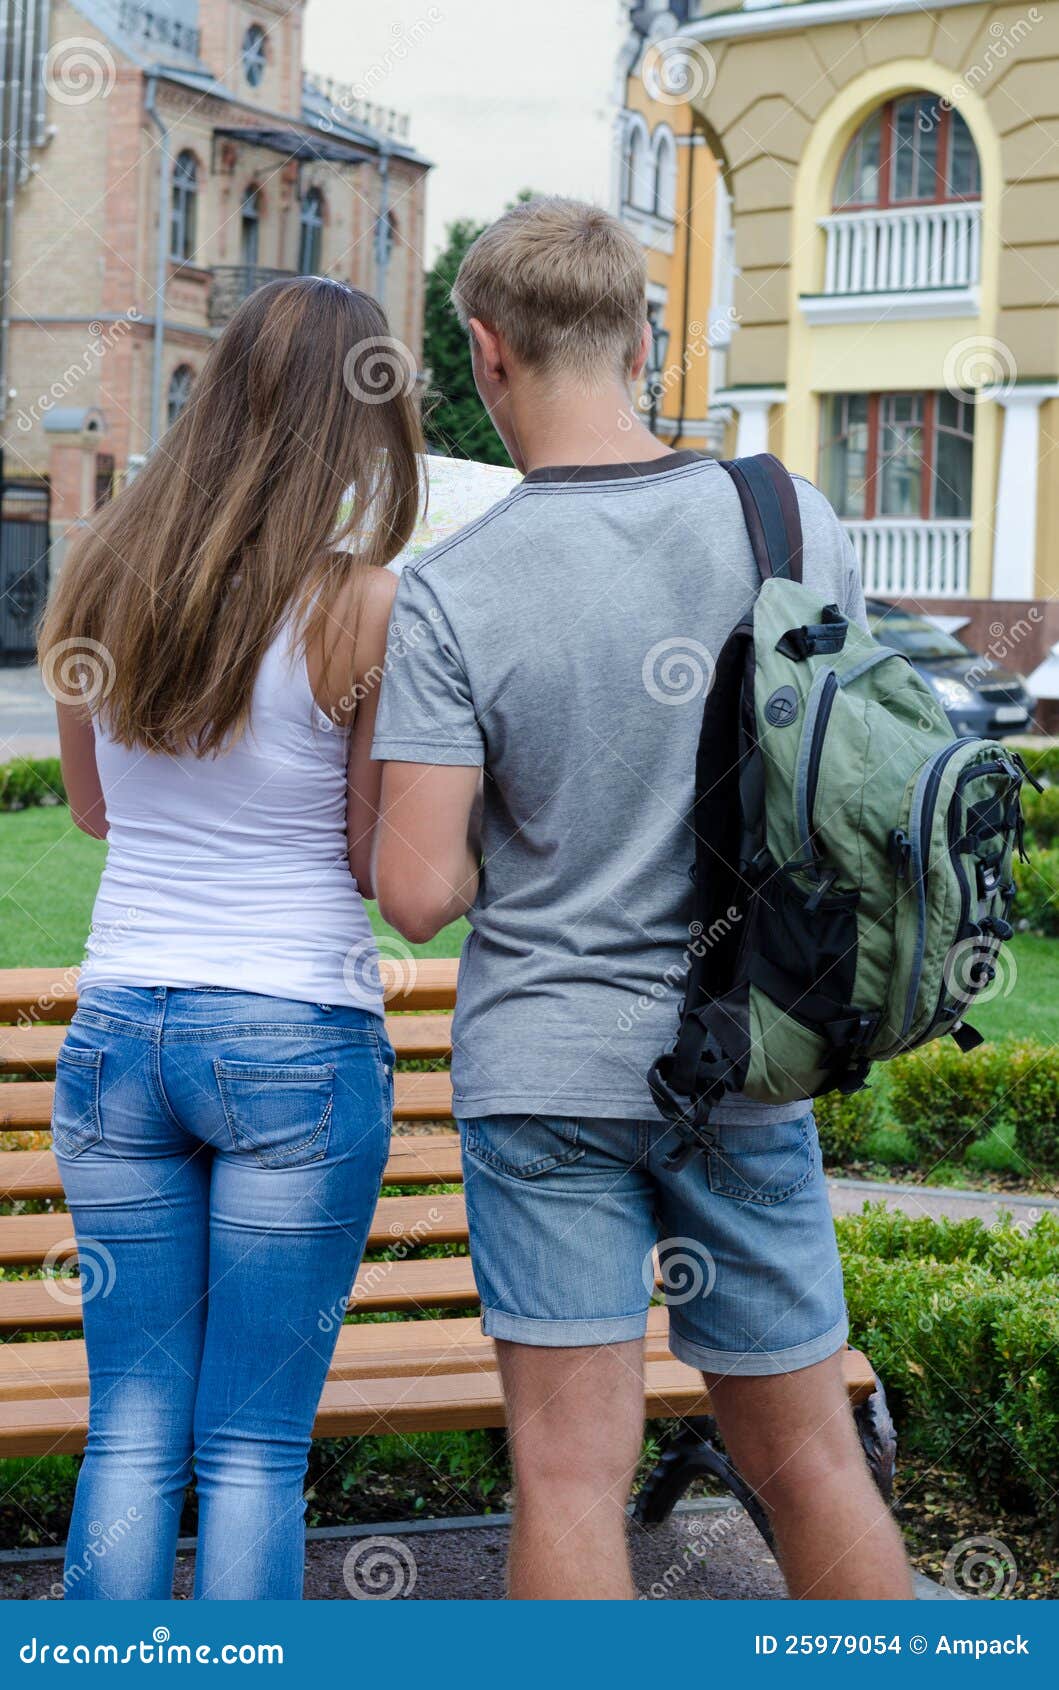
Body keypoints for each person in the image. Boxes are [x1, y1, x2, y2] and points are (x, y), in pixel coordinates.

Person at [370, 198, 914, 1601]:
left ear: (486, 352)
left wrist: (523, 850)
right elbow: (846, 780)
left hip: (544, 1067)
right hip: (750, 1047)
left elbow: (417, 892)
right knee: (810, 1460)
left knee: (569, 1475)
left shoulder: (451, 588)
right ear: (642, 339)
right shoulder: (788, 518)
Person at [39, 277, 421, 1600]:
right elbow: (371, 859)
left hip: (118, 1031)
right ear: (357, 422)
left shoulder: (100, 573)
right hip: (293, 1030)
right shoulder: (362, 608)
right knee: (254, 1445)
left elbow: (95, 809)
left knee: (130, 1428)